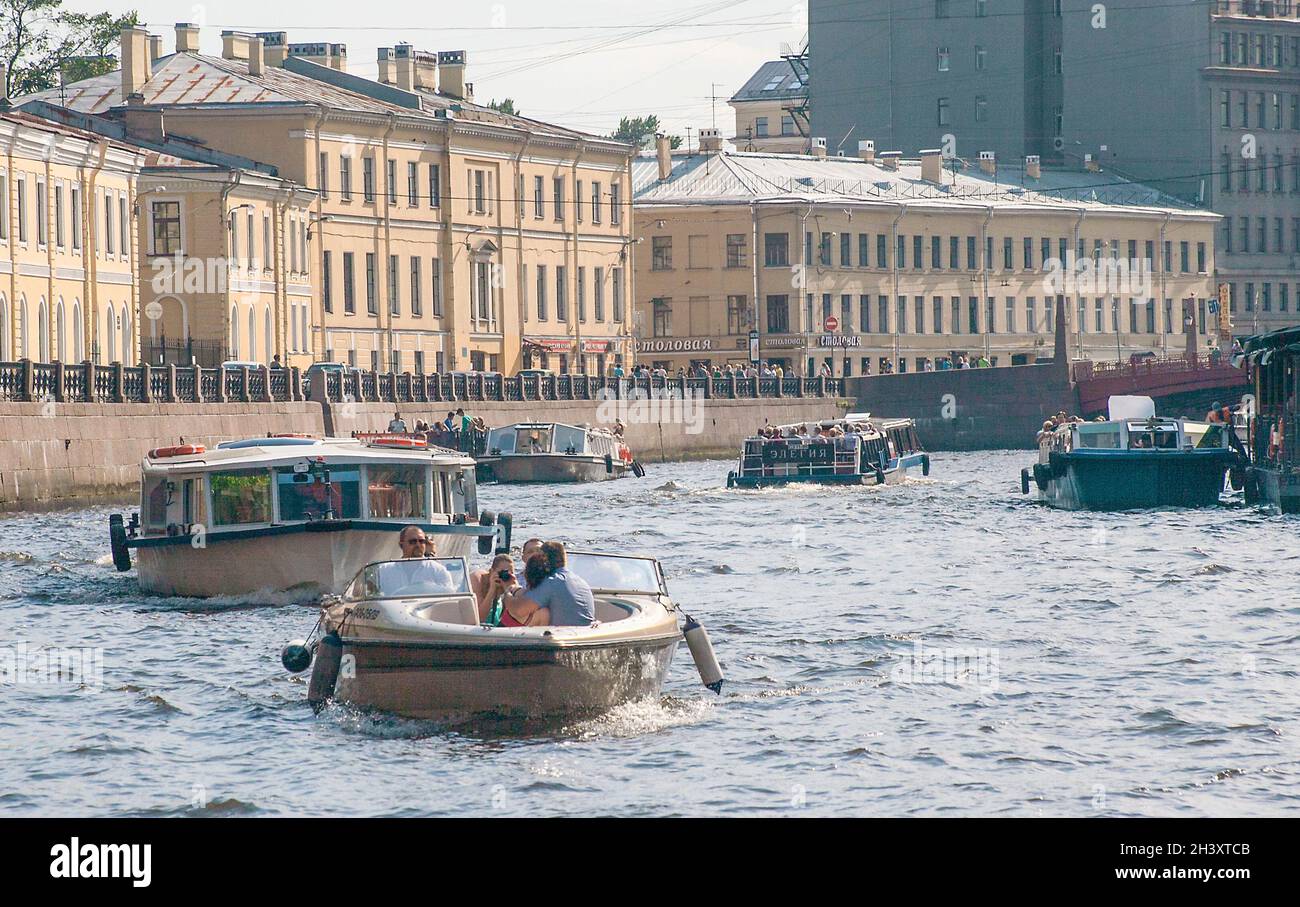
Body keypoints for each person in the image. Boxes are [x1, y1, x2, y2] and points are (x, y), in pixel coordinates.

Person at [518, 542, 595, 627]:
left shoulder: (551, 581)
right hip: (584, 634)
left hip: (562, 635)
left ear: (545, 560)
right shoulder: (581, 582)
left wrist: (509, 593)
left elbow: (519, 610)